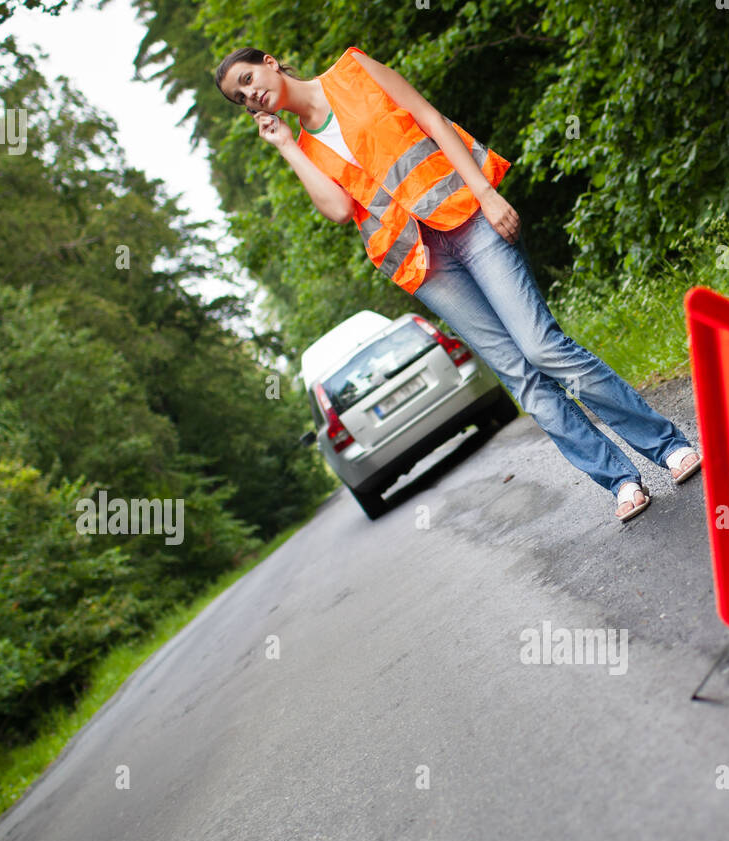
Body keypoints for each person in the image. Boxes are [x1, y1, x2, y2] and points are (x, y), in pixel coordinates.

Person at [214, 46, 703, 522]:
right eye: (240, 98)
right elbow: (341, 210)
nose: (249, 96)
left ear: (270, 64)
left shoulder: (352, 69)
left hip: (467, 217)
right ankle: (618, 480)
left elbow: (430, 118)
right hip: (422, 262)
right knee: (519, 375)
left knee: (541, 348)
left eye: (248, 81)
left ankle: (669, 447)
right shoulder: (303, 147)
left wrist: (486, 192)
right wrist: (284, 147)